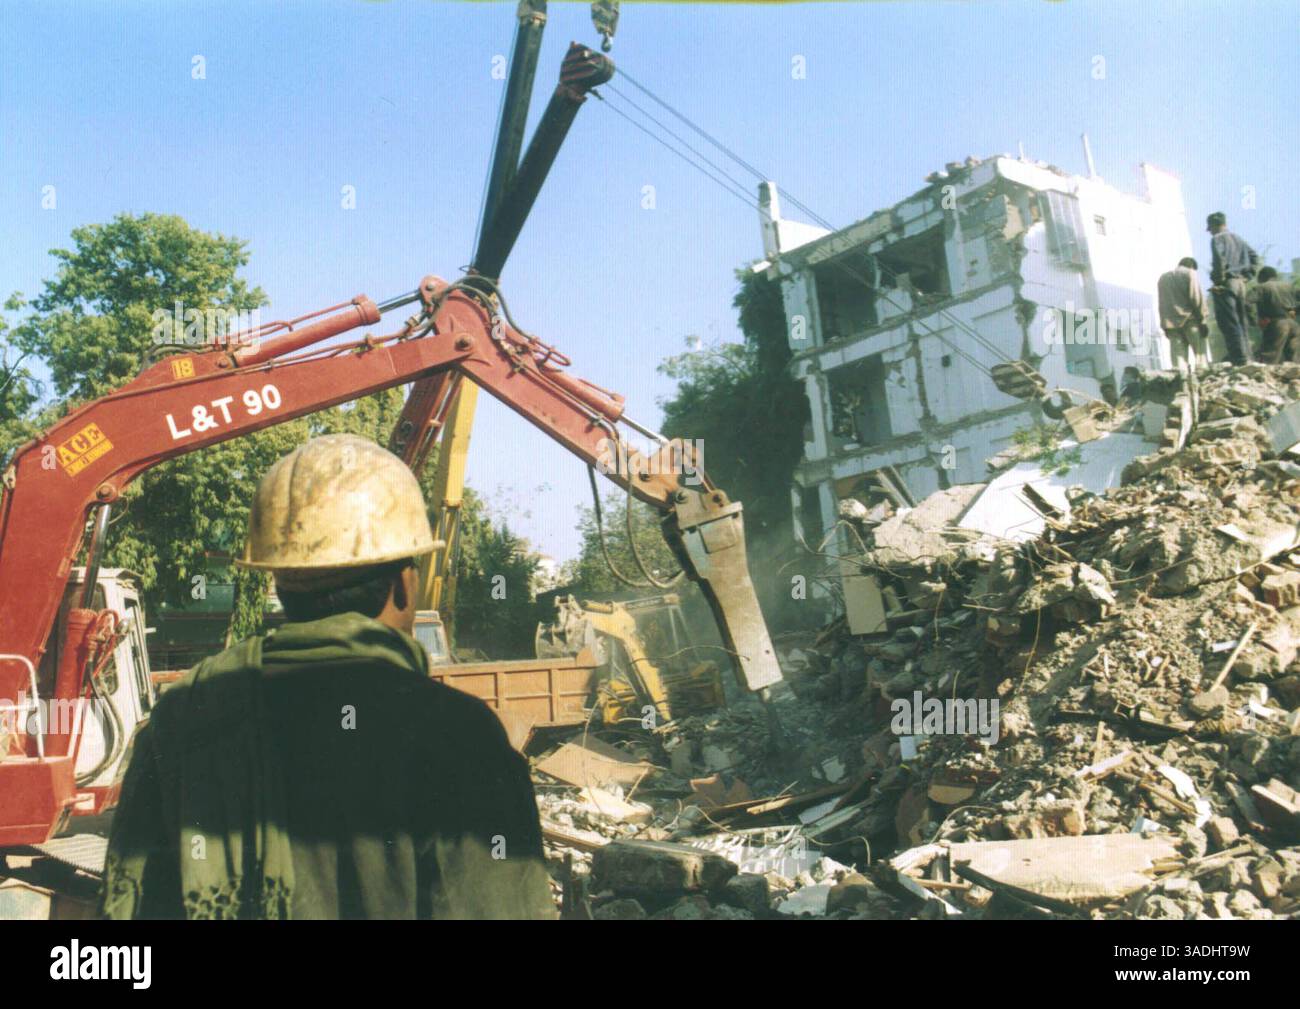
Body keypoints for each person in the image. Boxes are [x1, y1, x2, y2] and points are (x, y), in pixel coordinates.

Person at [100, 434, 555, 920]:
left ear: (278, 580)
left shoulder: (183, 716)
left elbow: (127, 907)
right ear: (405, 585)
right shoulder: (459, 736)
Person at [1157, 256, 1211, 424]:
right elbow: (1196, 297)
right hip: (1190, 320)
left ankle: (1183, 392)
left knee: (1179, 364)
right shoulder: (1190, 274)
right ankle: (1204, 390)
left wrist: (1165, 325)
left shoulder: (1163, 278)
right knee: (1200, 358)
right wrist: (1202, 318)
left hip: (1171, 323)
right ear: (1192, 266)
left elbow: (1162, 303)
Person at [1206, 211, 1260, 365]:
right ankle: (1248, 357)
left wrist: (1219, 282)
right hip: (1241, 284)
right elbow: (1254, 257)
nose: (1210, 231)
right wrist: (1247, 277)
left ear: (1215, 225)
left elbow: (1219, 260)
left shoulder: (1218, 238)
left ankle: (1239, 358)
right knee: (1242, 322)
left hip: (1227, 283)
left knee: (1229, 322)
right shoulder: (1238, 238)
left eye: (1210, 228)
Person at [1249, 266, 1299, 364]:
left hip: (1276, 324)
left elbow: (1246, 303)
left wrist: (1252, 320)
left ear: (1262, 277)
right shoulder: (1289, 286)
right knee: (1295, 360)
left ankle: (1262, 378)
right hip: (1294, 325)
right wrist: (1295, 312)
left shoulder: (1261, 288)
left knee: (1267, 358)